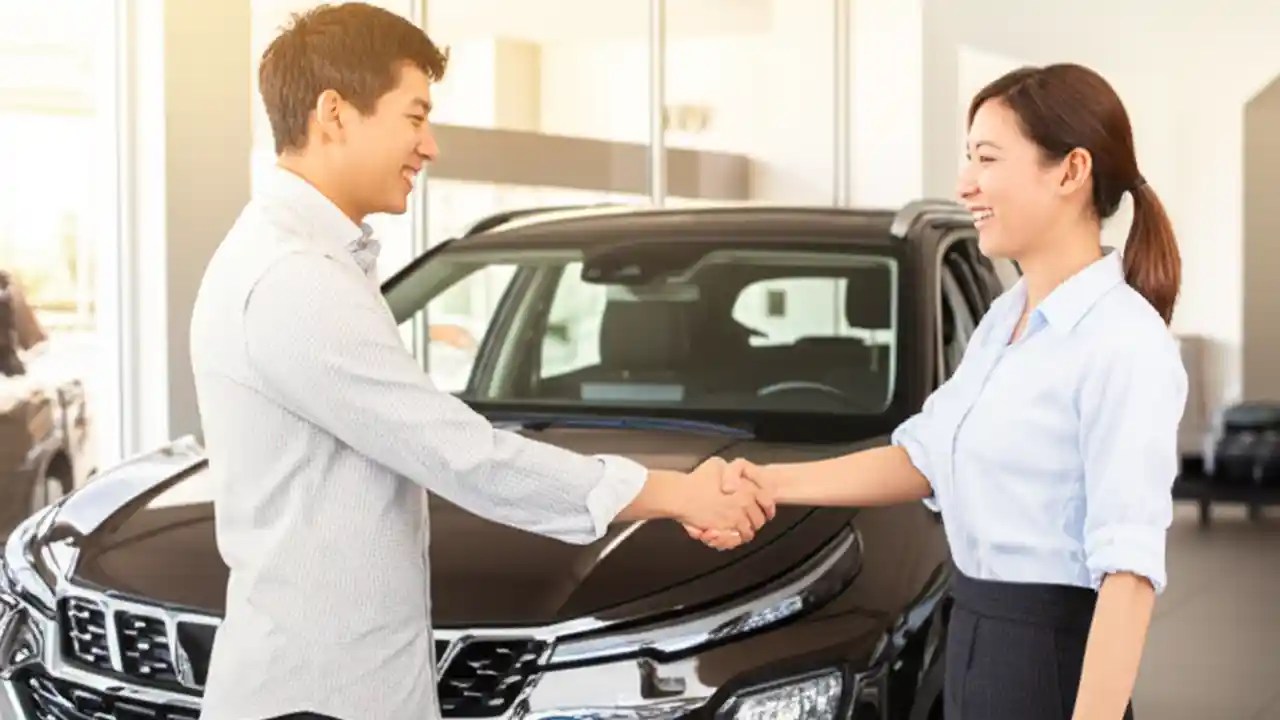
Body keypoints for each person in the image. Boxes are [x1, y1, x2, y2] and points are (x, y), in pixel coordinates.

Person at [188, 5, 771, 720]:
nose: (428, 146)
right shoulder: (292, 279)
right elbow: (461, 454)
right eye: (414, 116)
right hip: (318, 699)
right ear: (334, 113)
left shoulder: (303, 259)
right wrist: (674, 493)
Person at [699, 63, 1186, 719]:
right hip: (977, 640)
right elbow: (922, 457)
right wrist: (768, 483)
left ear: (1071, 172)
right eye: (968, 159)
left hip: (1051, 665)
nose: (966, 184)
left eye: (987, 159)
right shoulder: (1005, 319)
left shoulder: (1123, 341)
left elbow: (1127, 574)